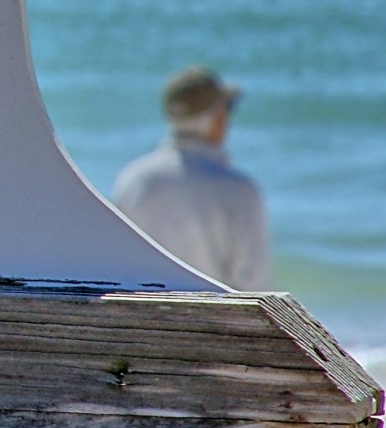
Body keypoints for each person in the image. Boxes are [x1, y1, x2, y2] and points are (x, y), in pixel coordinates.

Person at [111, 64, 271, 289]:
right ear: (217, 117)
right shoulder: (240, 190)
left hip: (144, 321)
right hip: (211, 322)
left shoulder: (133, 181)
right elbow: (253, 286)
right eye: (228, 108)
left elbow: (121, 270)